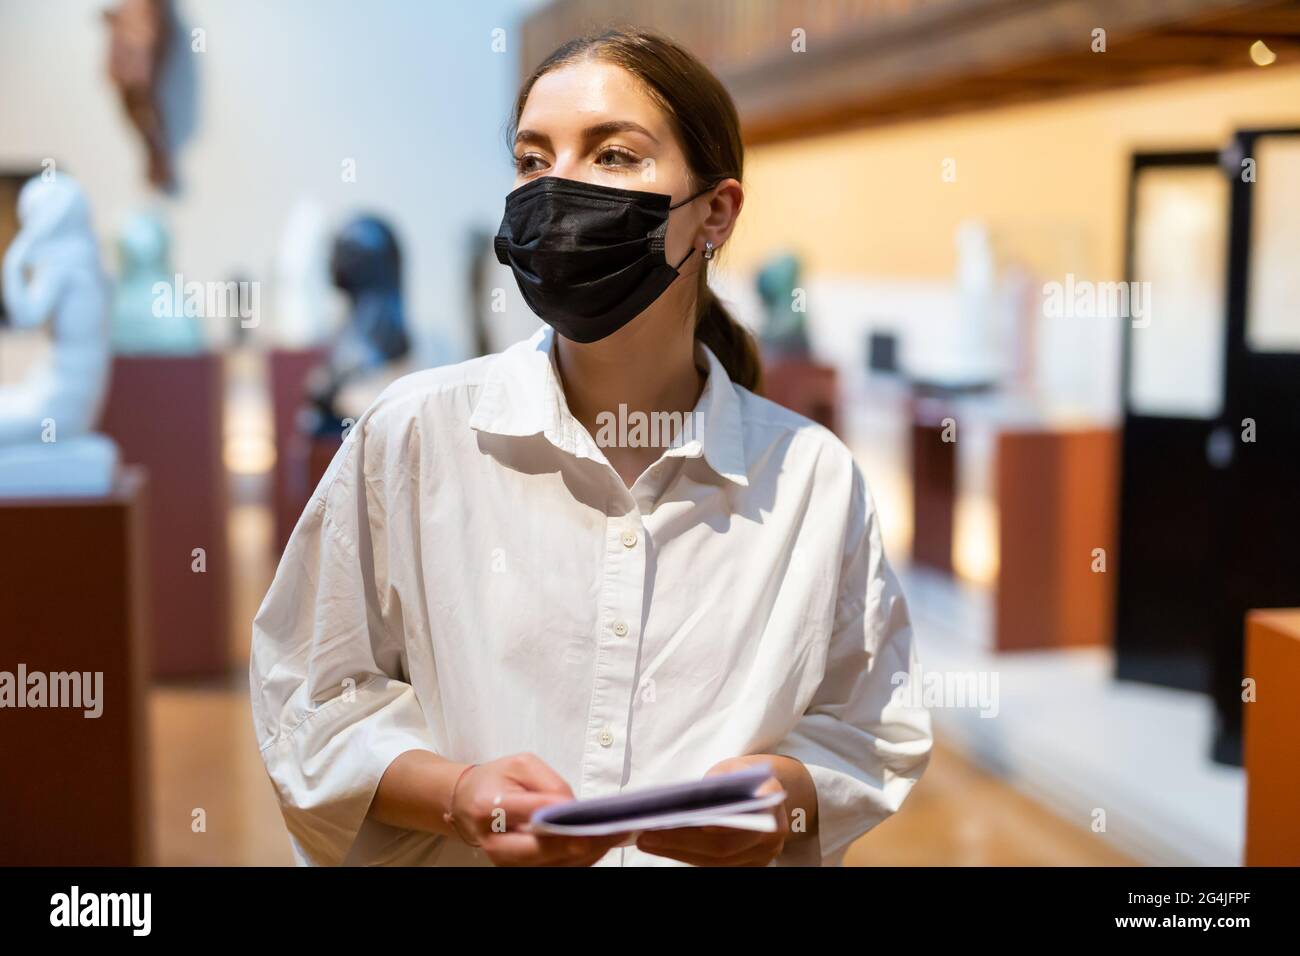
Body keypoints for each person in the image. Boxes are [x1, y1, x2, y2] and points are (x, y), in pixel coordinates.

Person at [250, 28, 931, 867]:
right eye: (534, 160)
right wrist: (459, 798)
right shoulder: (412, 436)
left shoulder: (813, 481)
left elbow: (871, 722)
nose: (558, 187)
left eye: (612, 156)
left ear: (714, 213)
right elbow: (308, 695)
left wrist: (786, 796)